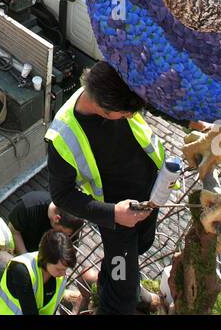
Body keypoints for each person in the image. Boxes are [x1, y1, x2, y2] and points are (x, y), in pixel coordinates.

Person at [47, 61, 165, 315]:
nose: (132, 117)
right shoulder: (62, 136)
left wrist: (192, 122)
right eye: (125, 114)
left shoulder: (116, 81)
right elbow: (62, 194)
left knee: (142, 245)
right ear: (105, 110)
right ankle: (114, 300)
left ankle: (113, 282)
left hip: (150, 196)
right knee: (121, 290)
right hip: (118, 217)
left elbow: (153, 101)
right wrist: (113, 214)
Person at [0, 229, 77, 316]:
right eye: (59, 269)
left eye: (65, 269)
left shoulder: (60, 277)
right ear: (46, 259)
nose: (63, 274)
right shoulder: (21, 270)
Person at [7, 190, 85, 254]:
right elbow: (13, 230)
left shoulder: (72, 223)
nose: (63, 236)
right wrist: (25, 256)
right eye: (61, 232)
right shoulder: (28, 206)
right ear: (57, 219)